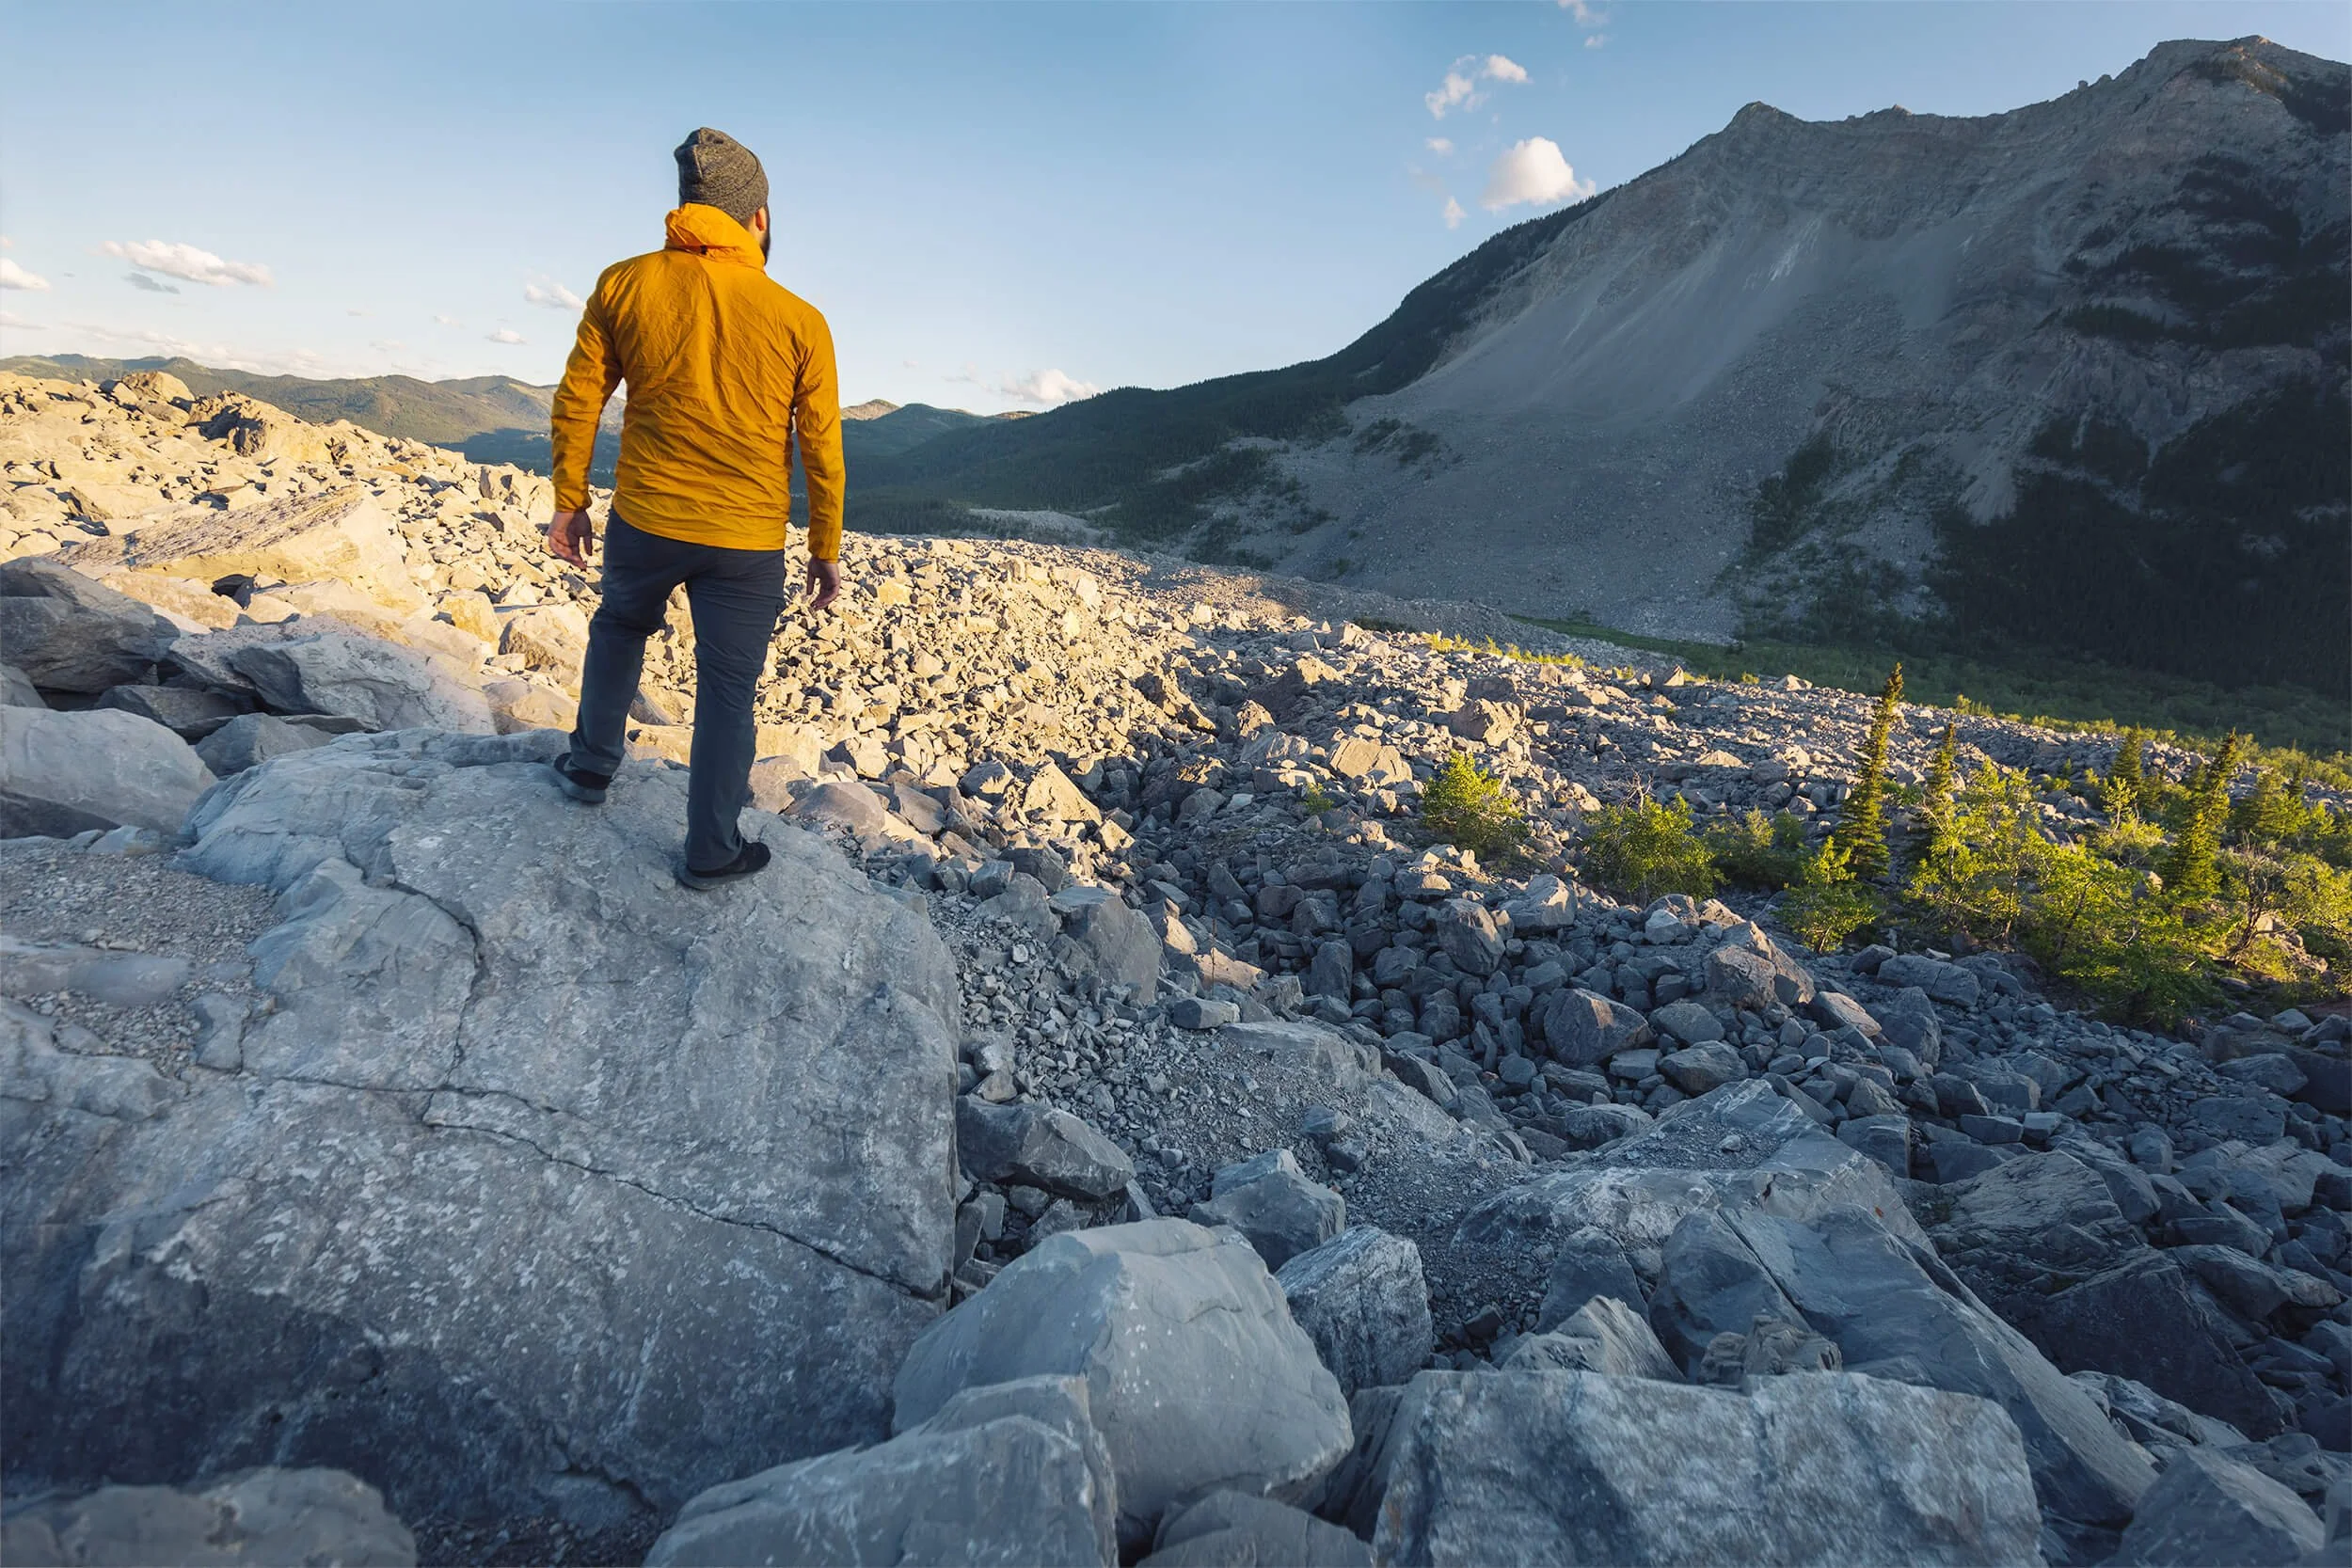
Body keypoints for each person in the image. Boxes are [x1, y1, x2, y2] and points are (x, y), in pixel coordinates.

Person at [542, 127, 845, 889]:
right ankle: (711, 848)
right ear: (759, 219)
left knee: (618, 628)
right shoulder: (801, 319)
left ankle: (589, 767)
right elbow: (821, 449)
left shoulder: (623, 282)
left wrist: (570, 501)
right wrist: (824, 546)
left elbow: (579, 398)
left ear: (685, 208)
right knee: (727, 690)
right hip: (744, 541)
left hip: (645, 516)